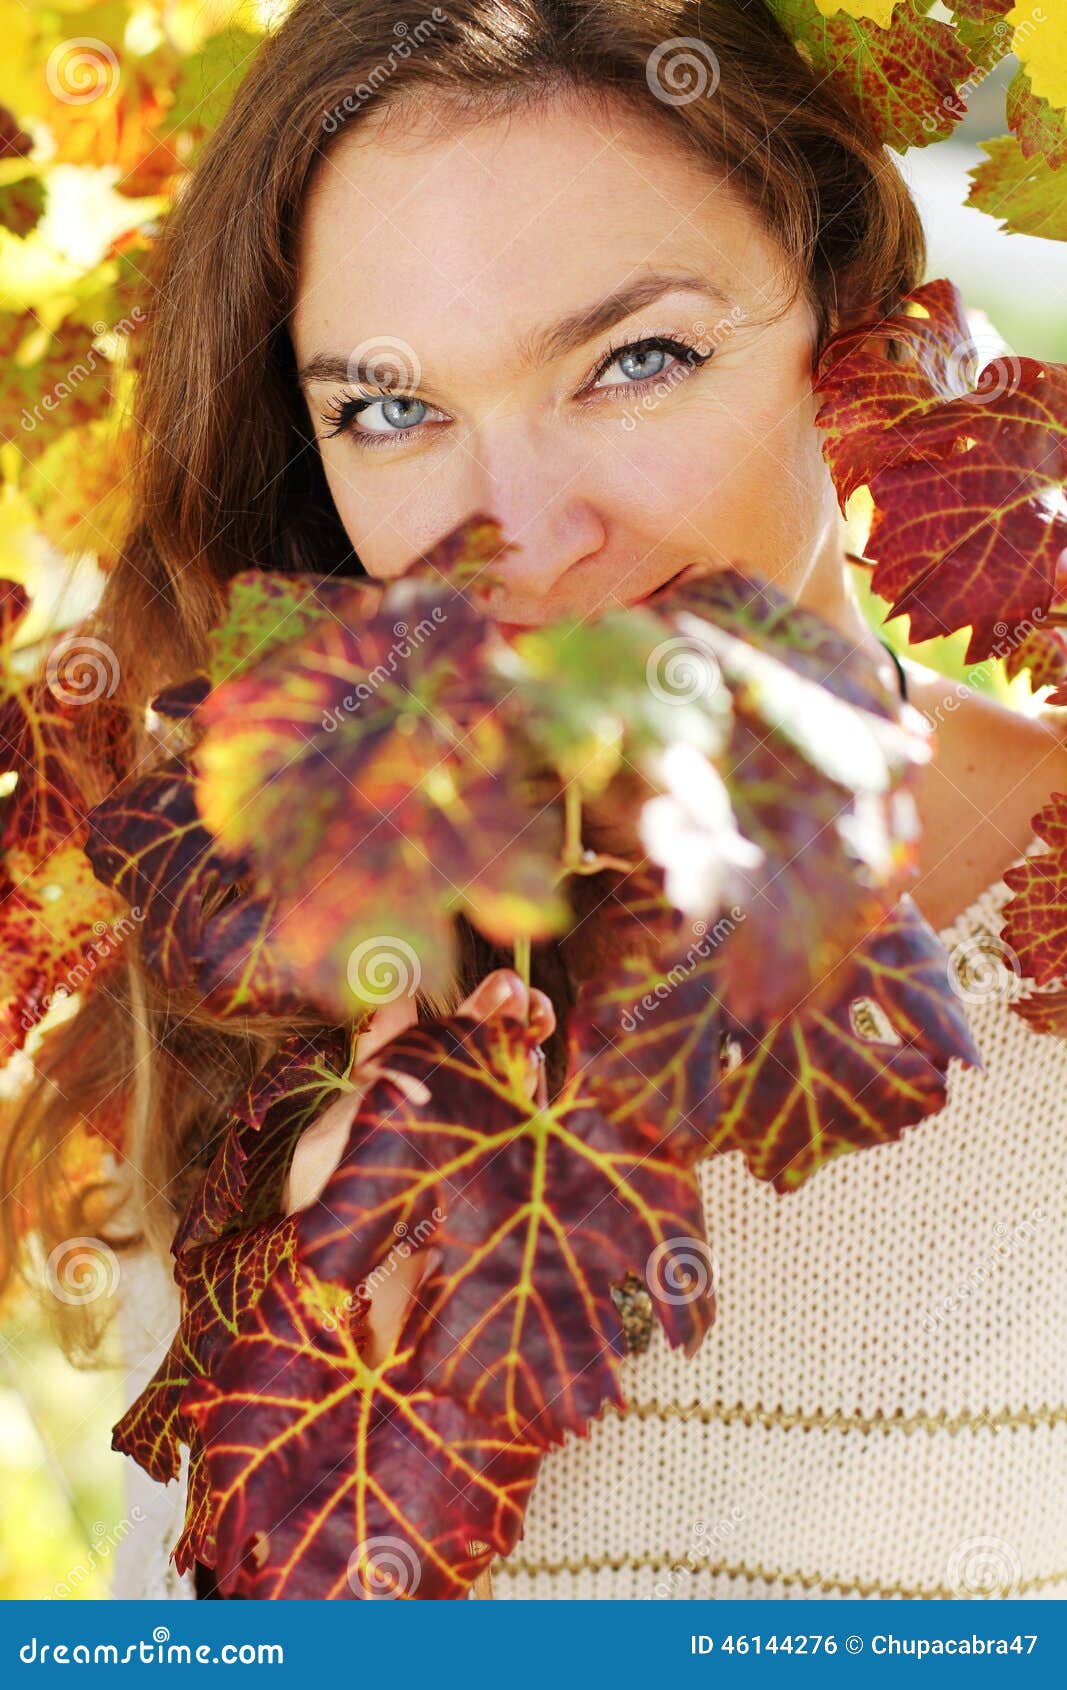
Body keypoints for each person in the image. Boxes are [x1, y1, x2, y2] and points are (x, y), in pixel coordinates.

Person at [3, 0, 1065, 1601]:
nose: (525, 536)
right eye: (390, 409)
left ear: (847, 315)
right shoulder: (268, 977)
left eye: (635, 358)